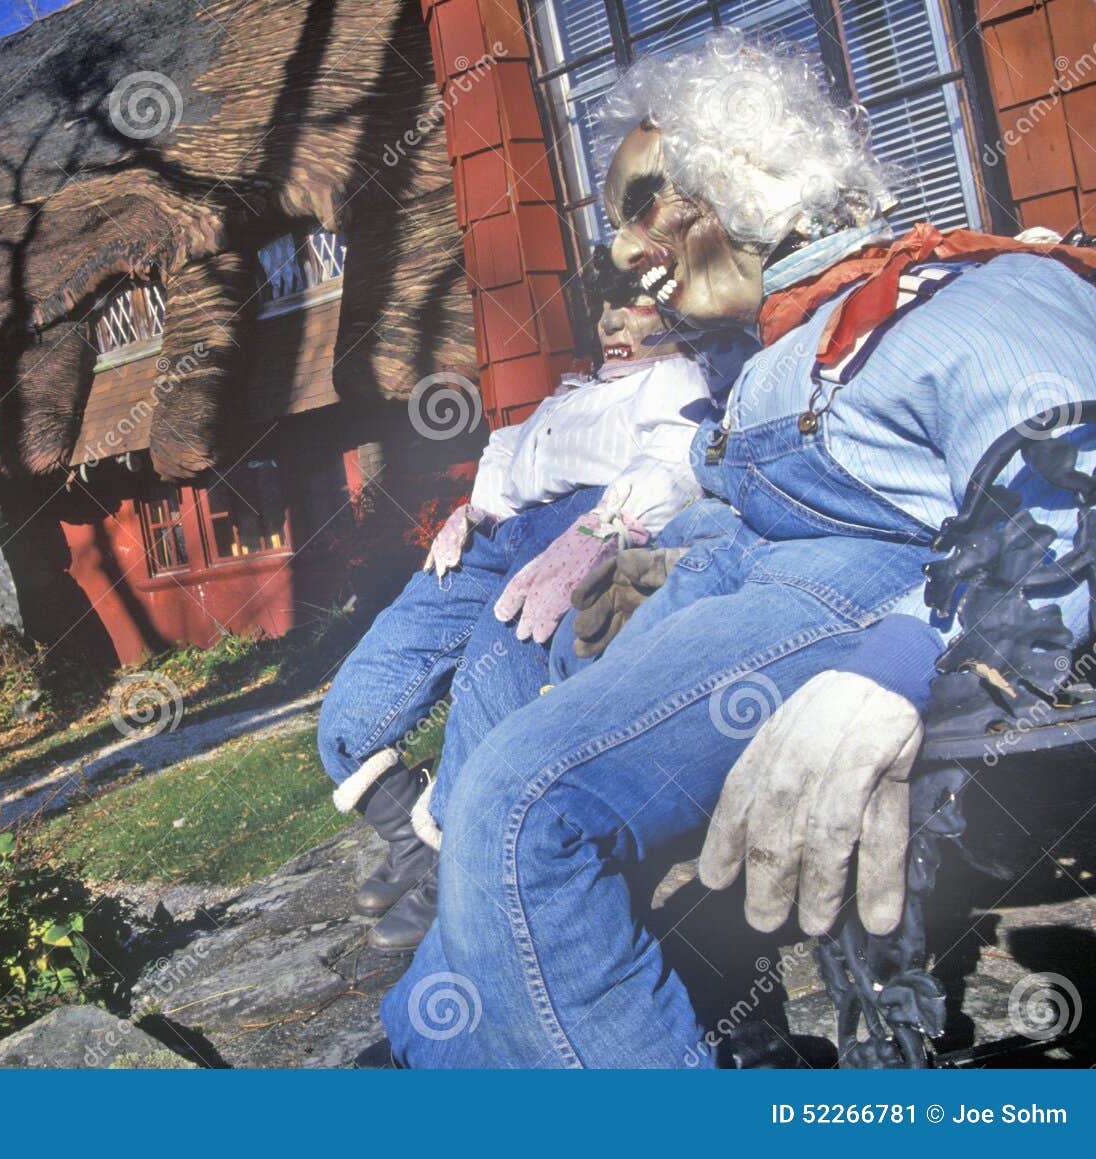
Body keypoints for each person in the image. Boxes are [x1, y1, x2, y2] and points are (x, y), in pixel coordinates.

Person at [380, 29, 1096, 1067]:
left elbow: (1065, 479)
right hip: (747, 591)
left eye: (642, 204)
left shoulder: (955, 292)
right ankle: (432, 1056)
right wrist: (619, 572)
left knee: (525, 803)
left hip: (857, 609)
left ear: (742, 173)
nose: (623, 253)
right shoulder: (775, 348)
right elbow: (723, 504)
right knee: (495, 715)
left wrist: (904, 667)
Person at [318, 256, 716, 951]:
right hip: (493, 540)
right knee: (359, 697)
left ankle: (460, 864)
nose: (613, 320)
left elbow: (679, 463)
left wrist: (602, 529)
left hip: (583, 538)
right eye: (604, 307)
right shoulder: (569, 392)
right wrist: (470, 512)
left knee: (490, 691)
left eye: (637, 306)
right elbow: (506, 460)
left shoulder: (679, 378)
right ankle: (413, 840)